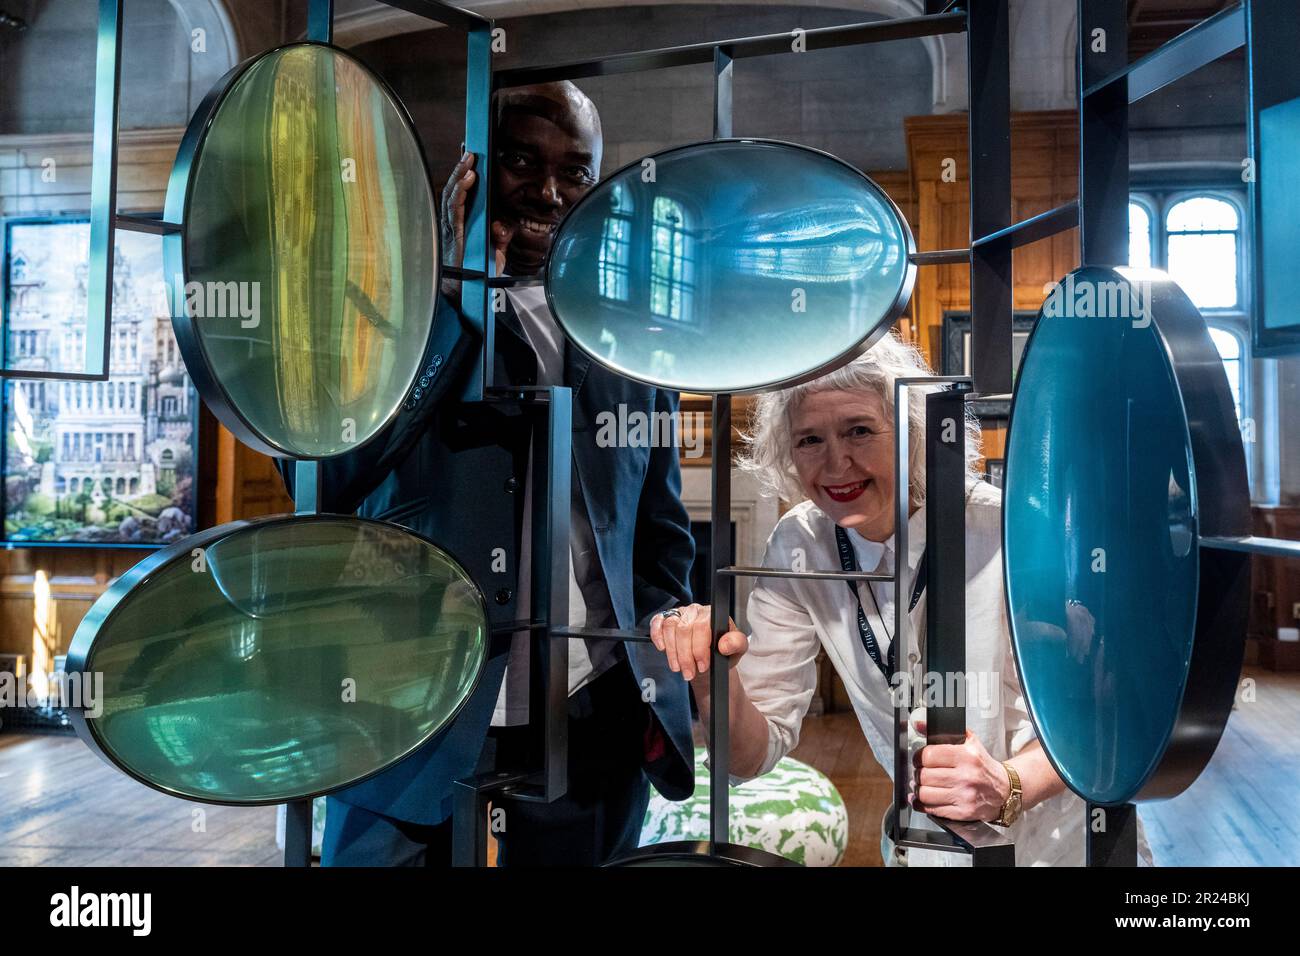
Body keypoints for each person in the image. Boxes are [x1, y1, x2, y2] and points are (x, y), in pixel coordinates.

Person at [280, 81, 696, 866]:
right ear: (470, 171)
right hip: (406, 734)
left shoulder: (631, 340)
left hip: (591, 740)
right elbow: (323, 480)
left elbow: (659, 537)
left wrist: (653, 656)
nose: (548, 191)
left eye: (575, 172)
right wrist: (449, 300)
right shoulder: (379, 316)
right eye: (521, 161)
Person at [648, 333, 1153, 866]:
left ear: (911, 432)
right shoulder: (799, 545)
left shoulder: (1008, 529)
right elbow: (752, 754)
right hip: (928, 846)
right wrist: (711, 678)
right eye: (809, 440)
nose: (836, 464)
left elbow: (1109, 715)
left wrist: (1007, 787)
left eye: (859, 431)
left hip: (1066, 841)